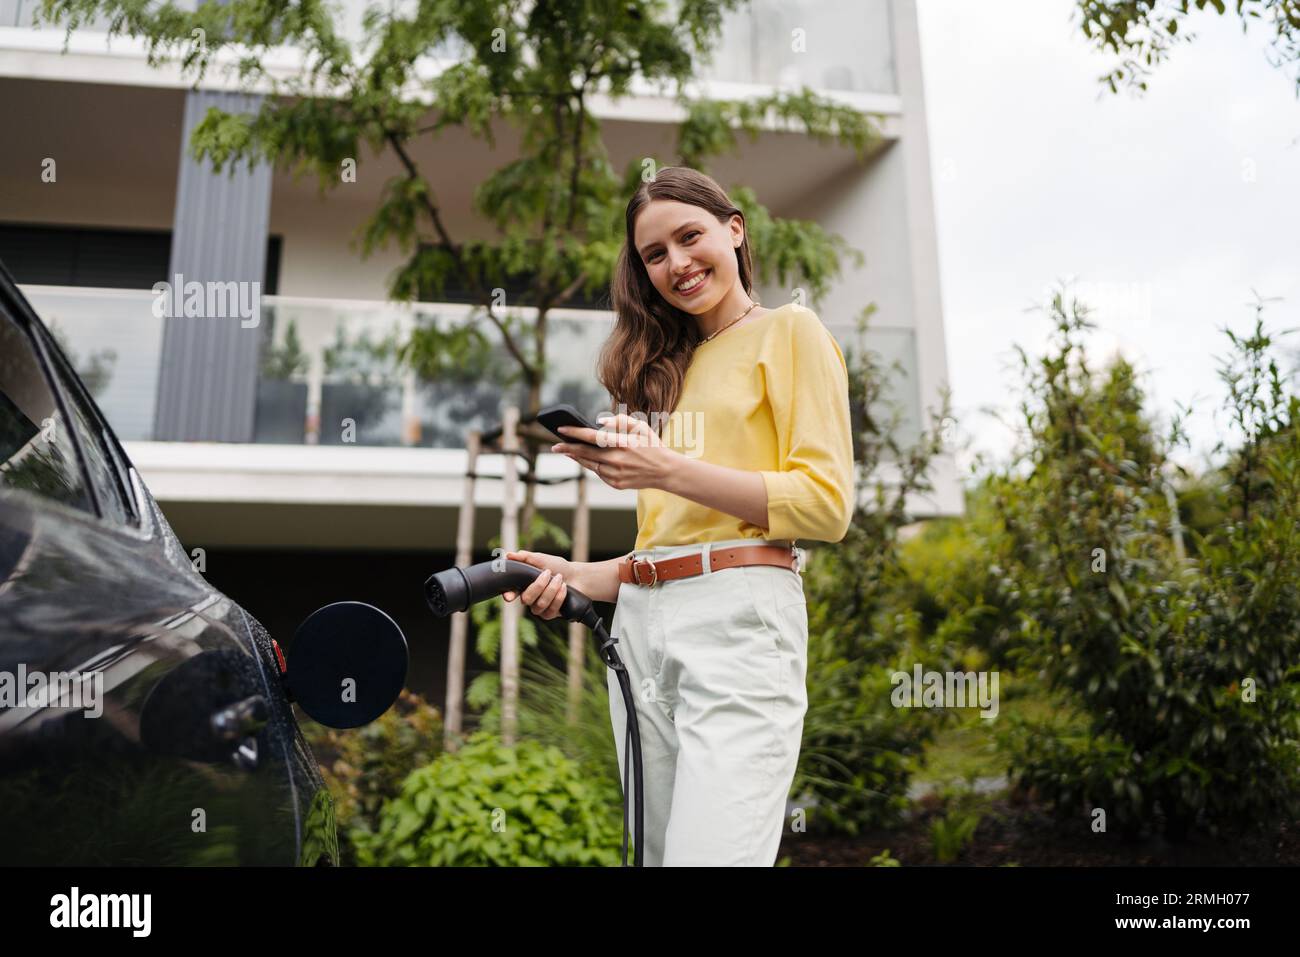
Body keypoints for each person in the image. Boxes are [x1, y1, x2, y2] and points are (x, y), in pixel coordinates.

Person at [501, 165, 855, 866]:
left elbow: (825, 502)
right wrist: (581, 574)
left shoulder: (790, 332)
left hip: (741, 624)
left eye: (689, 237)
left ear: (735, 228)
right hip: (643, 626)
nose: (677, 264)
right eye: (654, 255)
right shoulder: (666, 370)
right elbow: (670, 545)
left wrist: (667, 467)